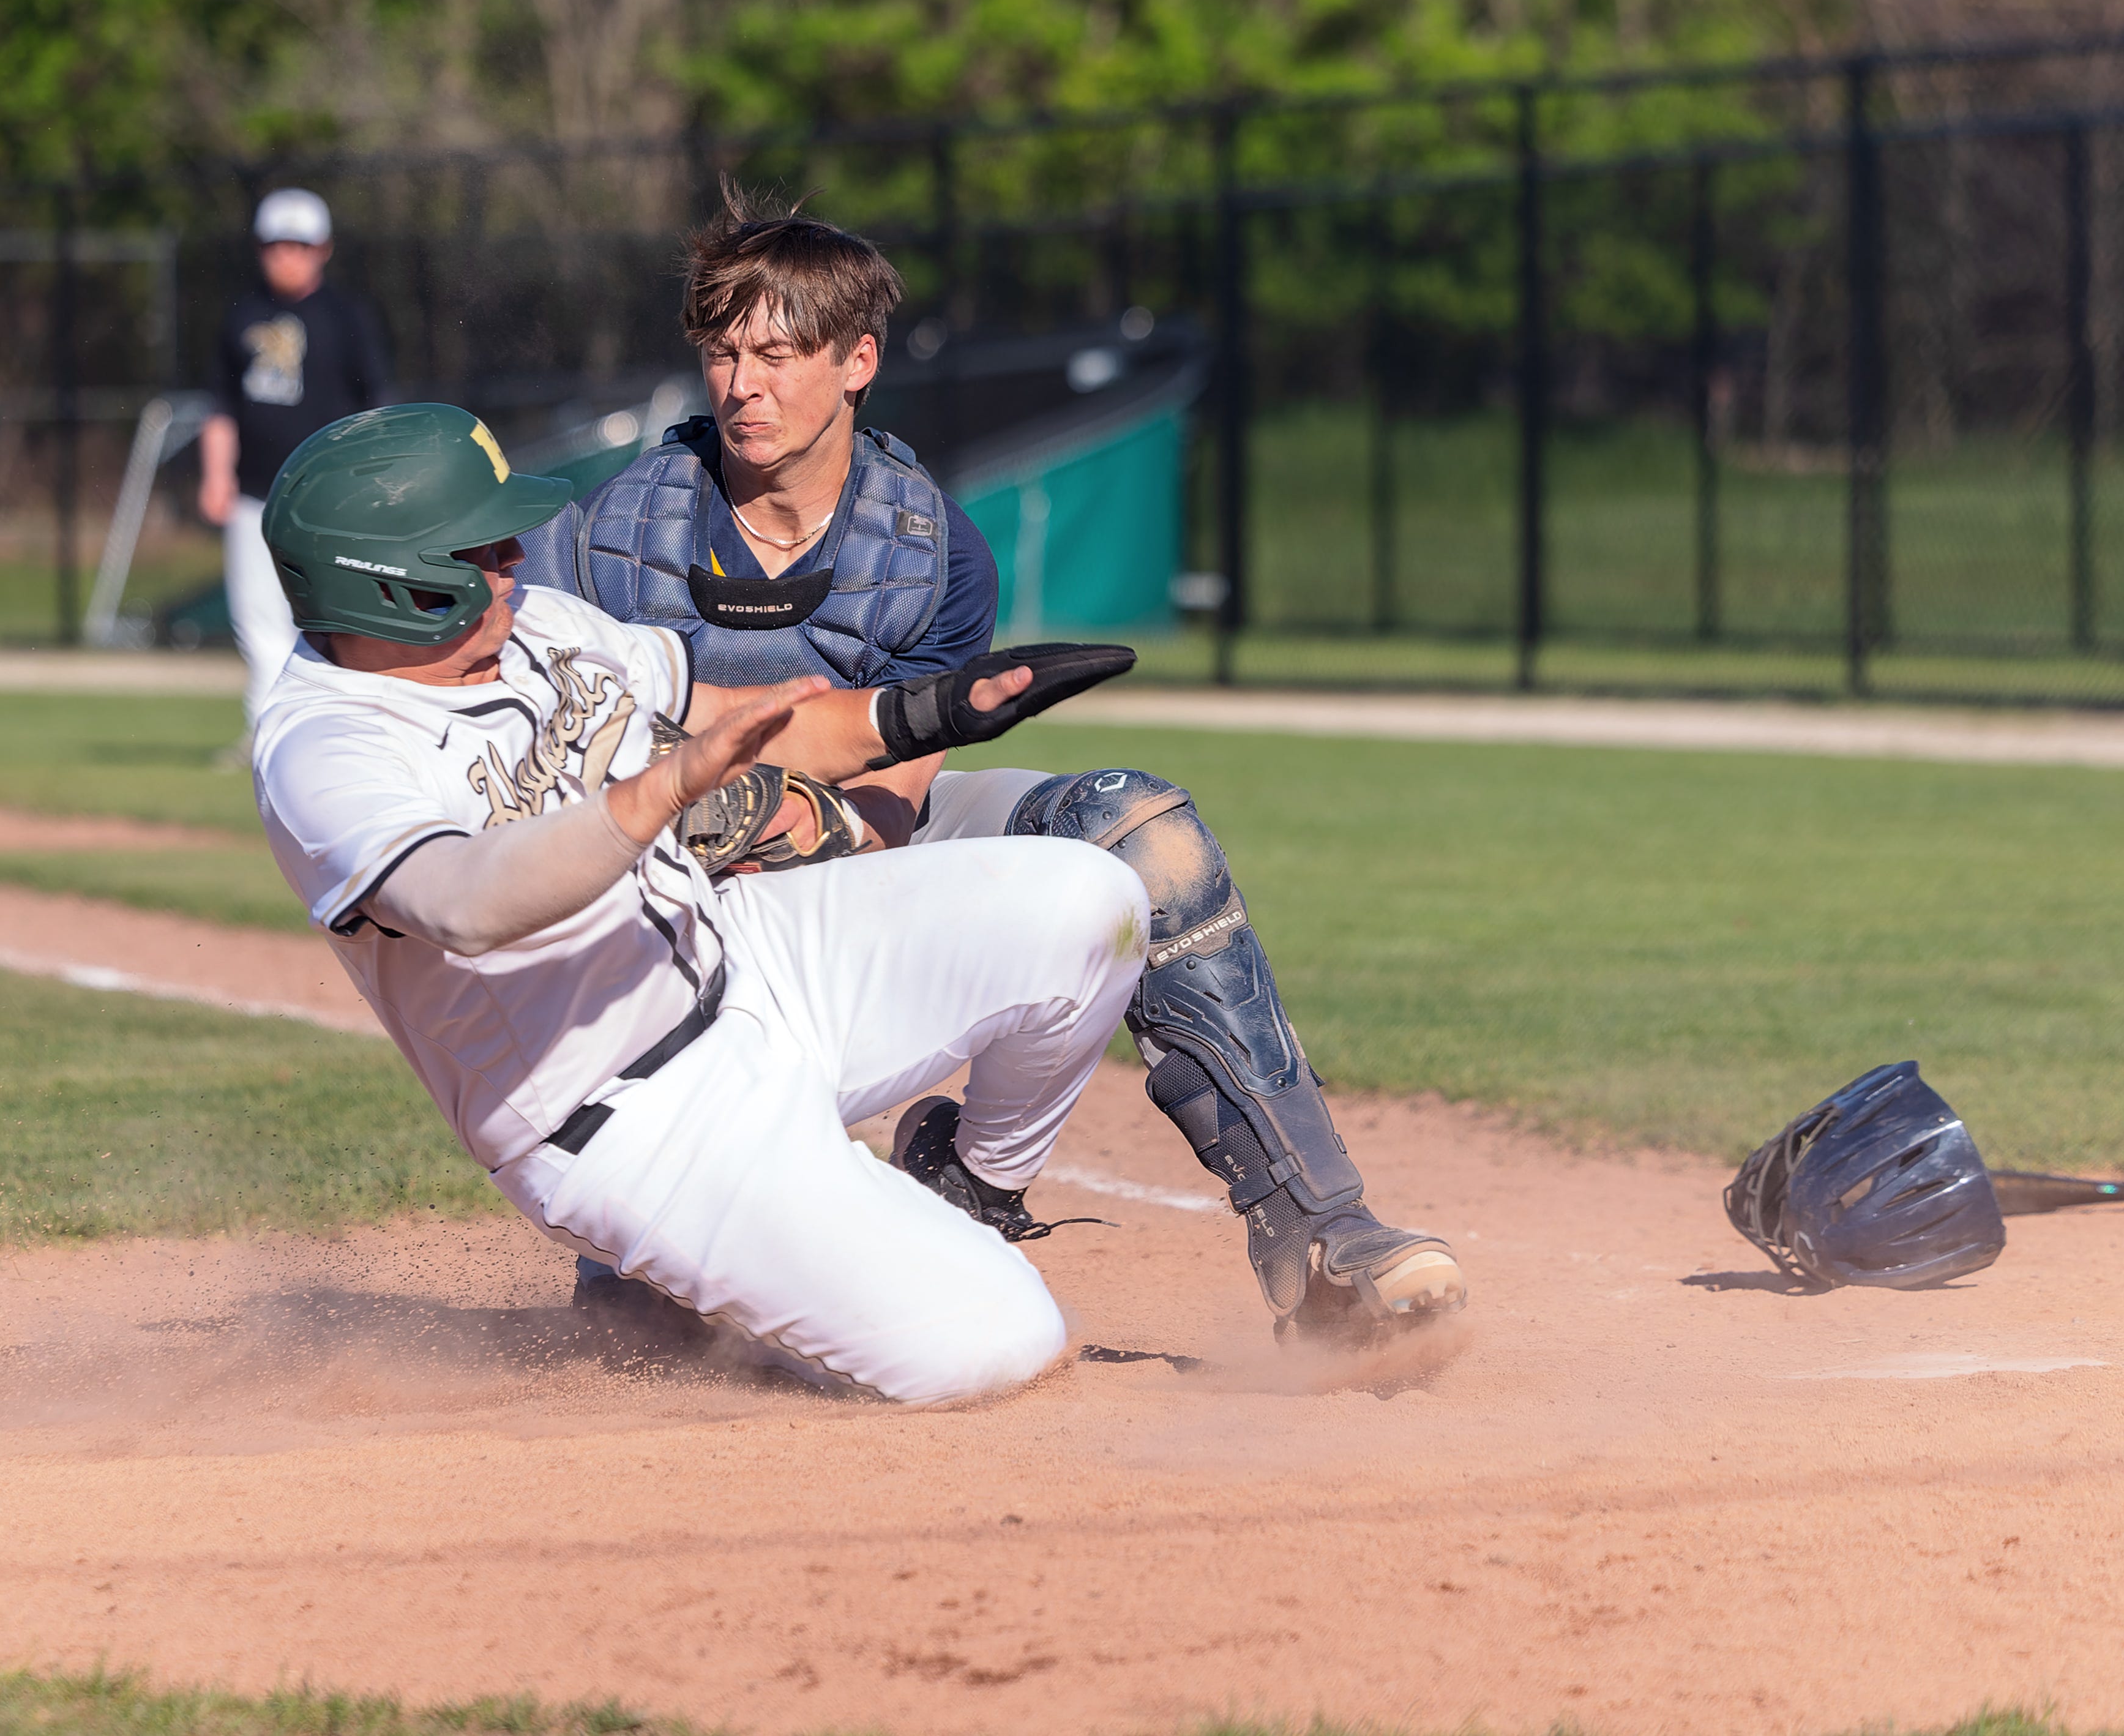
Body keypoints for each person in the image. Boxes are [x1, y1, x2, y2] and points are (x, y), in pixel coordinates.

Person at [523, 187, 1468, 1345]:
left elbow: (885, 812)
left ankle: (1317, 1236)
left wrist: (765, 814)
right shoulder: (608, 536)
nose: (741, 385)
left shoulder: (928, 554)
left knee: (1139, 832)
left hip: (848, 867)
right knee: (656, 1340)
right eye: (721, 352)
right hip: (667, 948)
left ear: (857, 360)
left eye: (776, 353)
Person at [251, 402, 1150, 1404]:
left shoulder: (539, 625)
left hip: (749, 957)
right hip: (629, 1115)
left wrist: (934, 709)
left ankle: (969, 1190)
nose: (515, 554)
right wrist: (655, 794)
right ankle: (749, 1290)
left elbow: (736, 723)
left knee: (1093, 900)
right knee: (1002, 1344)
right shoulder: (326, 745)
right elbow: (461, 901)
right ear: (404, 582)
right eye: (484, 544)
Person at [201, 189, 392, 730]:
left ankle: (341, 732)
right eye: (275, 245)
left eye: (299, 245)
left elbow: (376, 405)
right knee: (258, 625)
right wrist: (216, 474)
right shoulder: (242, 312)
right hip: (254, 494)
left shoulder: (346, 315)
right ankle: (269, 735)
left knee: (335, 620)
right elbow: (221, 405)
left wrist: (372, 486)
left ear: (323, 249)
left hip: (329, 499)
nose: (287, 256)